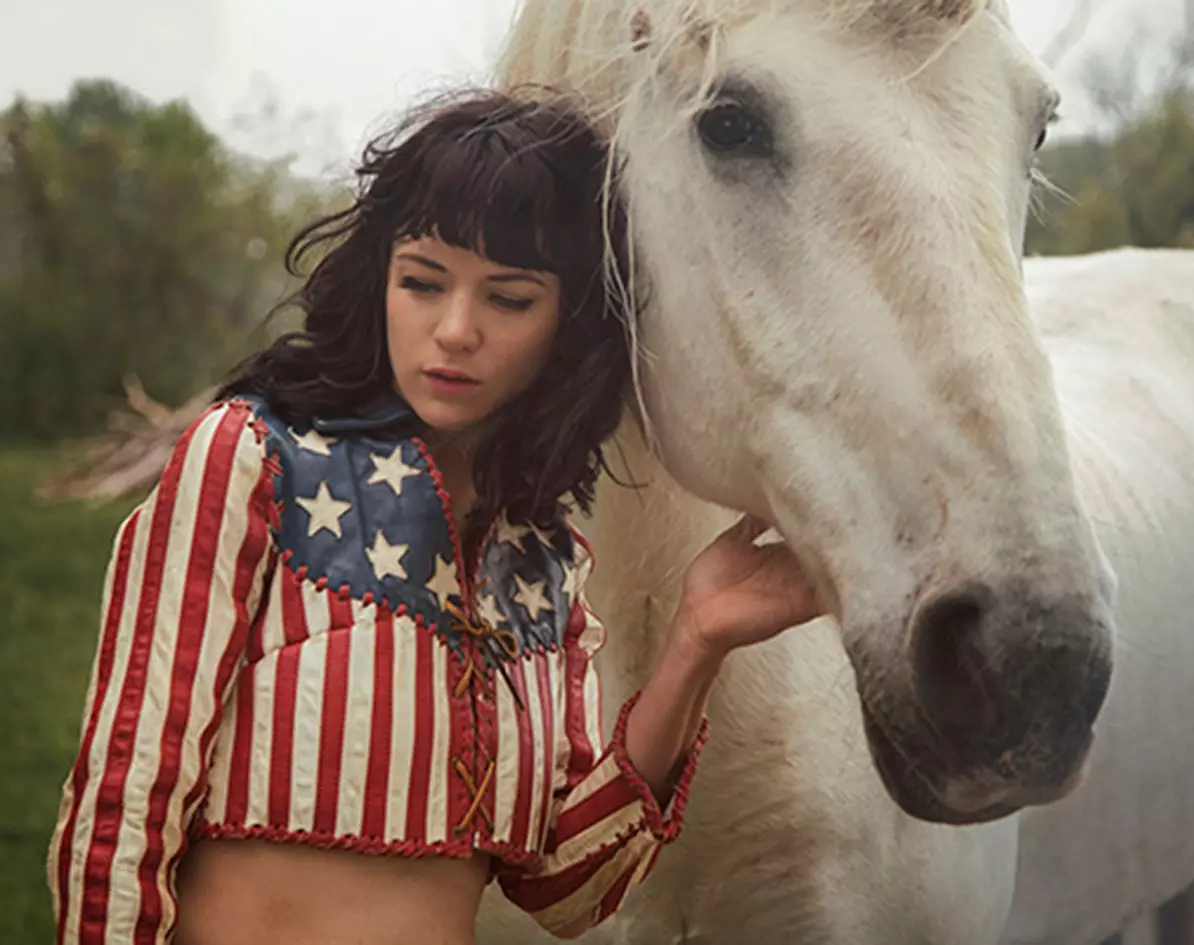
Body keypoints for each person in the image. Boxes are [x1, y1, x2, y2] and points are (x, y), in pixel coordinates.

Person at [47, 88, 821, 945]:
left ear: (570, 326)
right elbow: (123, 805)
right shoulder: (254, 457)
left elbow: (568, 889)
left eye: (509, 298)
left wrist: (698, 638)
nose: (454, 330)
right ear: (380, 280)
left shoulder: (546, 563)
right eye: (421, 282)